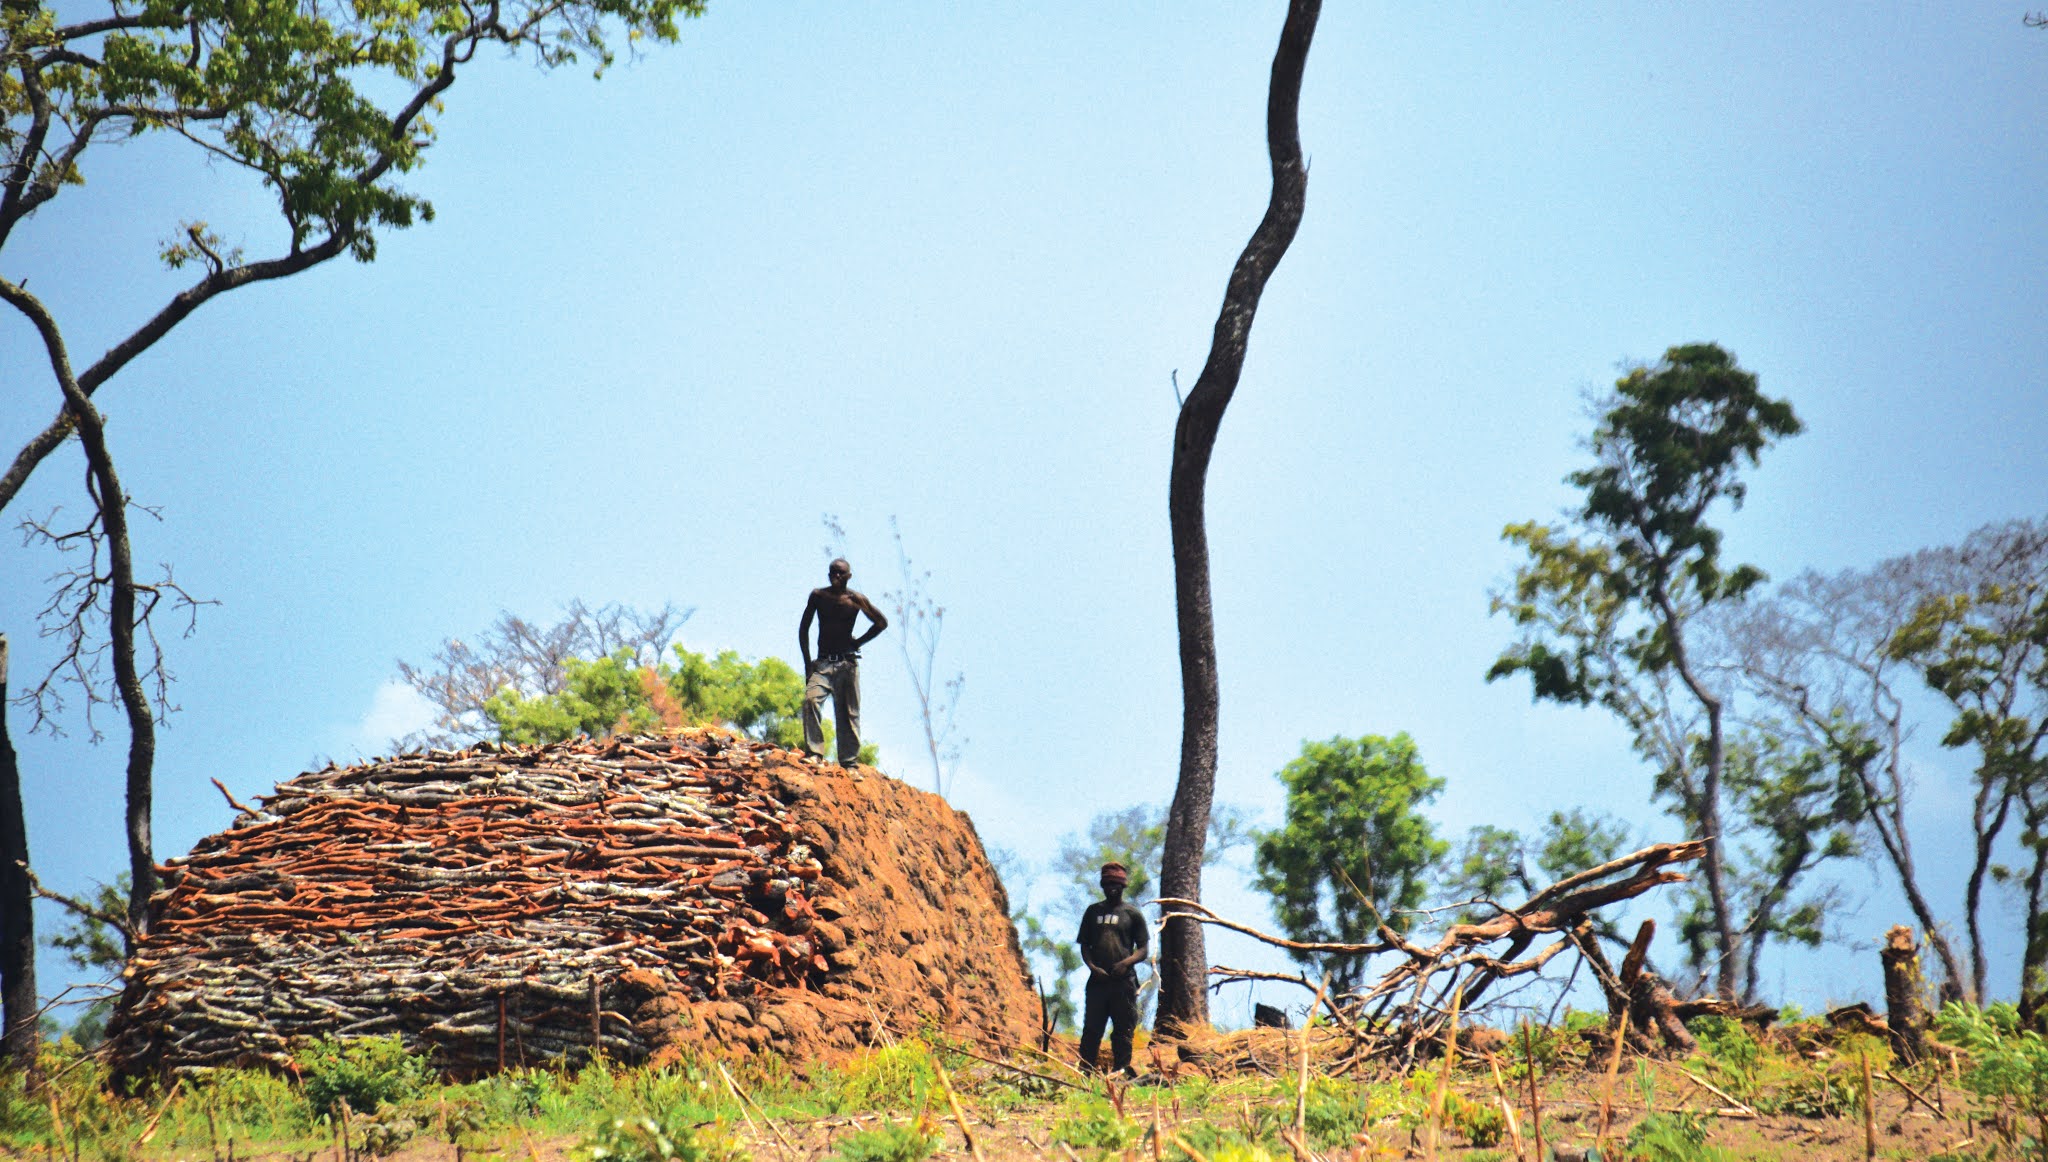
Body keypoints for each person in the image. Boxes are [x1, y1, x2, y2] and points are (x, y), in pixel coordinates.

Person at [797, 558, 887, 765]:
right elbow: (804, 628)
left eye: (840, 573)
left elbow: (881, 623)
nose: (835, 577)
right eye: (832, 573)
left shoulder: (855, 599)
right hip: (822, 662)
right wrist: (807, 663)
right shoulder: (819, 596)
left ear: (849, 577)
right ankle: (814, 753)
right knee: (810, 700)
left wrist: (859, 642)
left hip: (846, 664)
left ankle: (849, 762)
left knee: (848, 714)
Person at [1075, 861, 1148, 1076]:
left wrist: (1126, 963)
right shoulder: (1092, 912)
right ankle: (1085, 1072)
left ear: (1123, 887)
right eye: (1108, 885)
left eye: (1116, 885)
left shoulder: (1132, 914)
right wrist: (1092, 967)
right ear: (1103, 887)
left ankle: (1121, 1072)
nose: (1112, 889)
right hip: (1098, 983)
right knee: (1092, 1030)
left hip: (1124, 983)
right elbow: (1085, 946)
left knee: (1123, 1030)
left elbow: (1143, 949)